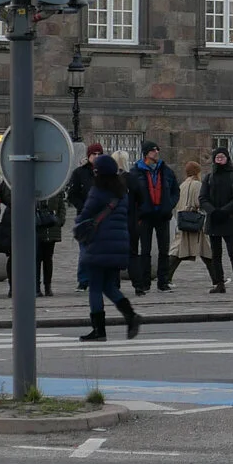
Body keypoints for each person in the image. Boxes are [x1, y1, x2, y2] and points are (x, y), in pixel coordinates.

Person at [71, 153, 140, 341]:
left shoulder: (98, 191)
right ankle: (130, 315)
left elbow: (85, 213)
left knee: (94, 287)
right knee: (108, 286)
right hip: (118, 245)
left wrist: (78, 227)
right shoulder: (121, 192)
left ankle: (99, 330)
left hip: (99, 245)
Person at [125, 141, 180, 294]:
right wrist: (138, 211)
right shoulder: (135, 172)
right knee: (145, 250)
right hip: (145, 216)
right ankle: (145, 283)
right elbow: (132, 196)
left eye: (157, 149)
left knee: (164, 250)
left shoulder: (166, 171)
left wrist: (169, 204)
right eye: (153, 150)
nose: (156, 152)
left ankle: (163, 282)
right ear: (146, 153)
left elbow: (176, 190)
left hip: (163, 215)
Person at [199, 146, 233, 294]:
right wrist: (212, 211)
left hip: (229, 219)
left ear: (227, 159)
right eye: (217, 157)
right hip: (214, 219)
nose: (219, 160)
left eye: (222, 157)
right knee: (216, 254)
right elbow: (202, 198)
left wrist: (225, 210)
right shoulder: (209, 178)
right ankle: (219, 283)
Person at [63, 142, 103, 294]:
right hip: (85, 216)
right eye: (94, 154)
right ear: (88, 156)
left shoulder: (105, 173)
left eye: (99, 154)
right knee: (85, 250)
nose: (97, 157)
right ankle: (83, 280)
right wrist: (85, 206)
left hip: (102, 216)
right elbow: (72, 195)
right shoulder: (79, 173)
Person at [171, 162, 209, 294]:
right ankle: (217, 279)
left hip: (183, 220)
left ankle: (165, 278)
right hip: (193, 221)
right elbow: (200, 202)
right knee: (206, 252)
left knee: (179, 251)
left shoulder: (182, 184)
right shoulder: (197, 185)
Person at [34, 168, 66, 296]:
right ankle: (36, 287)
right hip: (38, 227)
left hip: (52, 228)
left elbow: (61, 207)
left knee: (48, 258)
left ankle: (48, 285)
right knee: (36, 258)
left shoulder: (56, 189)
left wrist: (59, 220)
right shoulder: (35, 189)